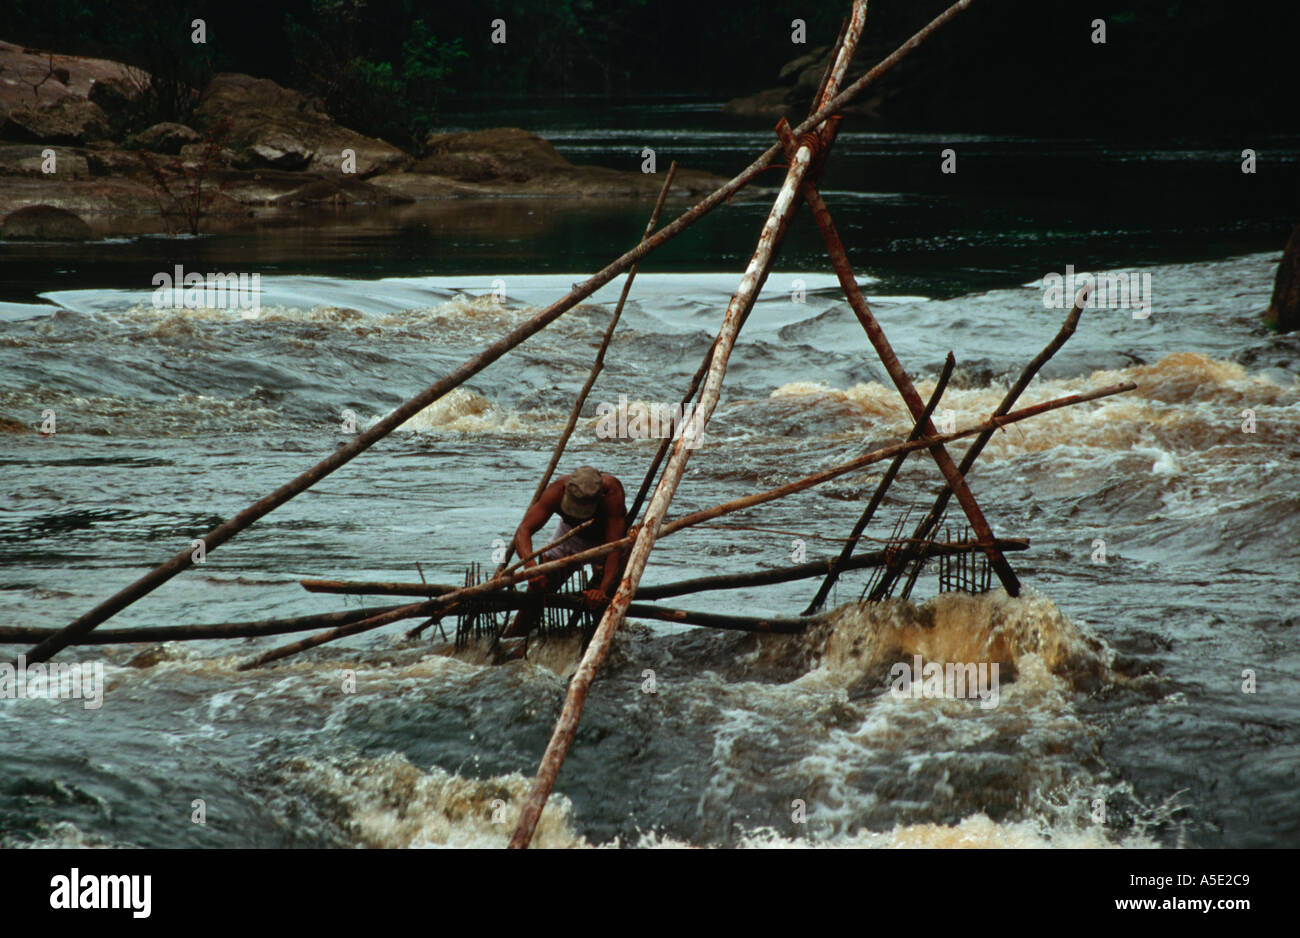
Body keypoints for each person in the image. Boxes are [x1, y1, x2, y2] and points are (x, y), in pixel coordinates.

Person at [500, 466, 628, 639]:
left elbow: (614, 549)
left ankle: (598, 642)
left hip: (605, 541)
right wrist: (531, 569)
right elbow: (523, 530)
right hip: (569, 535)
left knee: (603, 603)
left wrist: (602, 591)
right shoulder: (557, 490)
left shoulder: (612, 494)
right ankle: (514, 640)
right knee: (536, 591)